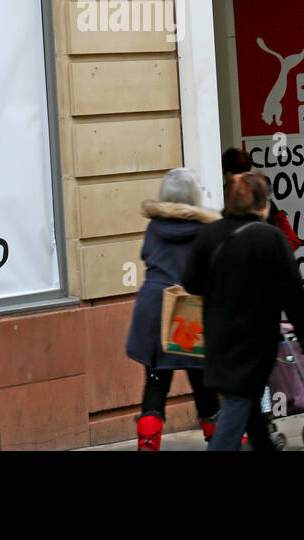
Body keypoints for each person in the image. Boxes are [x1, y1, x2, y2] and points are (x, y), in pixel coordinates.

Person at [181, 172, 304, 451]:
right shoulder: (270, 237)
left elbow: (191, 283)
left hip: (217, 338)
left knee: (250, 410)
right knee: (239, 401)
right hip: (256, 342)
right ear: (261, 204)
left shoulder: (209, 234)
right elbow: (293, 292)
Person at [124, 168, 223, 450]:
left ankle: (147, 444)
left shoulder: (154, 227)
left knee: (156, 381)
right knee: (203, 382)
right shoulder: (207, 230)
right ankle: (220, 442)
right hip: (190, 310)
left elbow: (147, 257)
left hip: (155, 308)